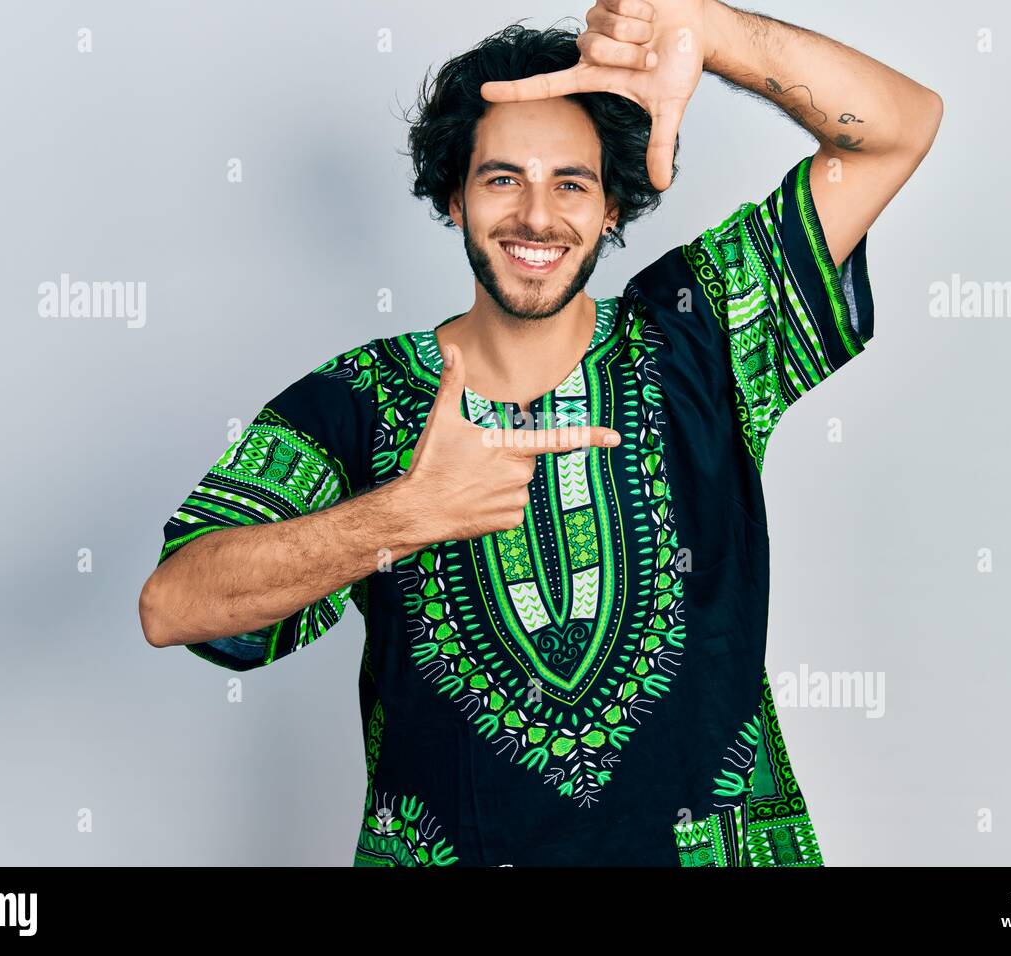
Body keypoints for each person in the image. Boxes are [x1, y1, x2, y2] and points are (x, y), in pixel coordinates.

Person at [139, 0, 941, 866]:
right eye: (501, 179)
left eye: (571, 183)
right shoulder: (359, 402)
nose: (536, 215)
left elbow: (899, 128)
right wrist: (402, 515)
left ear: (611, 207)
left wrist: (710, 32)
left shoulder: (703, 333)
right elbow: (173, 605)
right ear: (454, 197)